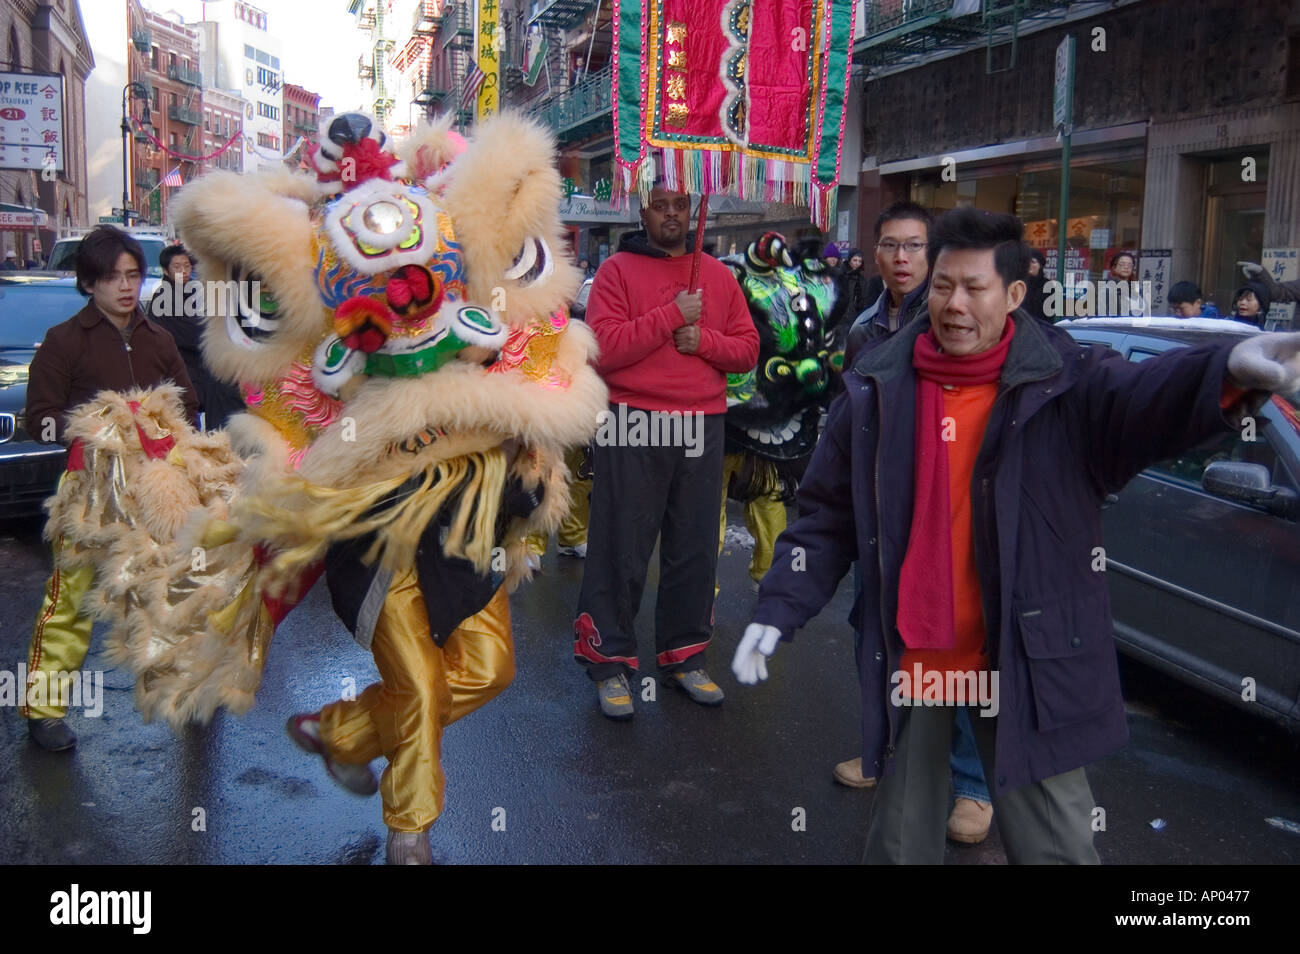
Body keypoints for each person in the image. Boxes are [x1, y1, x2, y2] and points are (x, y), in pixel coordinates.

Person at [732, 207, 1300, 864]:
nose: (955, 304)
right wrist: (778, 610)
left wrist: (1226, 371)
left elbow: (1147, 398)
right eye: (943, 286)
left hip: (1027, 656)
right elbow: (825, 519)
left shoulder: (1070, 382)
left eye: (975, 288)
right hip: (920, 652)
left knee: (1055, 844)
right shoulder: (876, 387)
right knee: (898, 843)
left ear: (1014, 295)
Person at [573, 182, 758, 719]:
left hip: (704, 422)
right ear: (642, 210)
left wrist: (704, 342)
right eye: (661, 205)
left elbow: (747, 351)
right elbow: (602, 350)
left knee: (695, 545)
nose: (672, 214)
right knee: (621, 543)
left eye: (682, 205)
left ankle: (685, 654)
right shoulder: (615, 273)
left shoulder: (720, 276)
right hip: (633, 421)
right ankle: (609, 661)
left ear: (694, 211)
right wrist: (672, 315)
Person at [20, 225, 198, 751]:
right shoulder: (64, 341)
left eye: (132, 275)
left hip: (154, 490)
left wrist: (160, 419)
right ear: (89, 283)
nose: (125, 287)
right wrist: (101, 424)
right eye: (111, 277)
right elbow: (41, 421)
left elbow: (187, 400)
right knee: (71, 600)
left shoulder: (159, 338)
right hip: (88, 493)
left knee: (169, 590)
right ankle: (45, 710)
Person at [148, 243, 244, 429]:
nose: (183, 271)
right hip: (184, 373)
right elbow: (196, 334)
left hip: (201, 372)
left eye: (186, 266)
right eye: (177, 267)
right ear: (166, 271)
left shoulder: (191, 291)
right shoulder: (164, 298)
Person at [845, 202, 933, 365]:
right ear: (876, 255)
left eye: (914, 245)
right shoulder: (862, 329)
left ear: (932, 252)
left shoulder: (943, 319)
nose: (900, 257)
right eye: (890, 245)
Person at [1021, 249, 1049, 322]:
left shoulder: (1048, 286)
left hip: (1042, 328)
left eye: (1033, 262)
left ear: (1040, 265)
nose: (1029, 265)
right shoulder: (1020, 284)